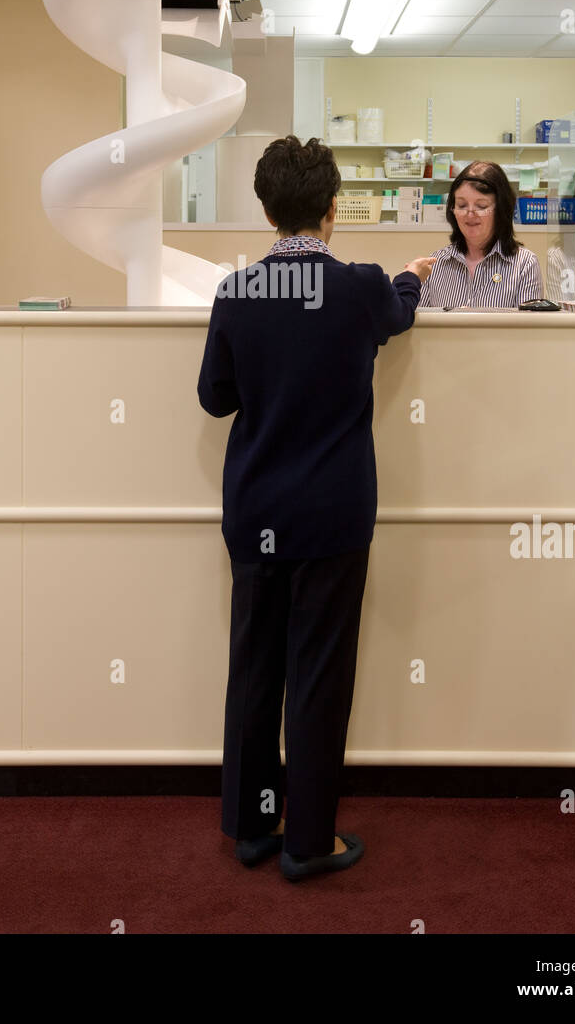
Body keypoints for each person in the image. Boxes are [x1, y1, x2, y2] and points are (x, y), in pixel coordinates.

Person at [197, 135, 435, 880]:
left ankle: (252, 827)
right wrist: (411, 278)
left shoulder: (236, 293)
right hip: (332, 513)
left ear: (267, 211)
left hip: (257, 508)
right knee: (319, 677)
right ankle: (308, 843)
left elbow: (215, 398)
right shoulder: (361, 287)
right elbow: (399, 311)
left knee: (255, 669)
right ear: (334, 209)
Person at [416, 161, 544, 308]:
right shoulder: (435, 264)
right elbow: (420, 327)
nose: (469, 214)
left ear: (501, 210)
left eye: (481, 206)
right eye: (462, 205)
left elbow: (529, 329)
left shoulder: (524, 264)